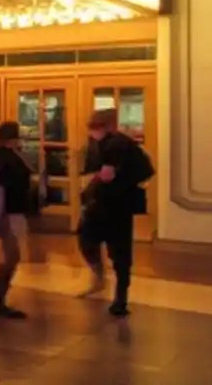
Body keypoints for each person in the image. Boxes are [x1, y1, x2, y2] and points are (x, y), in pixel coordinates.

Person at [78, 108, 154, 317]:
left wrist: (98, 184)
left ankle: (118, 296)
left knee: (114, 251)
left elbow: (106, 174)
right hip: (110, 204)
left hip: (113, 204)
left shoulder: (119, 145)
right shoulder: (103, 144)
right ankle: (113, 292)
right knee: (112, 249)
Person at [0, 121, 33, 319]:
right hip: (10, 212)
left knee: (3, 256)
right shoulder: (10, 159)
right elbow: (19, 183)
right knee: (11, 256)